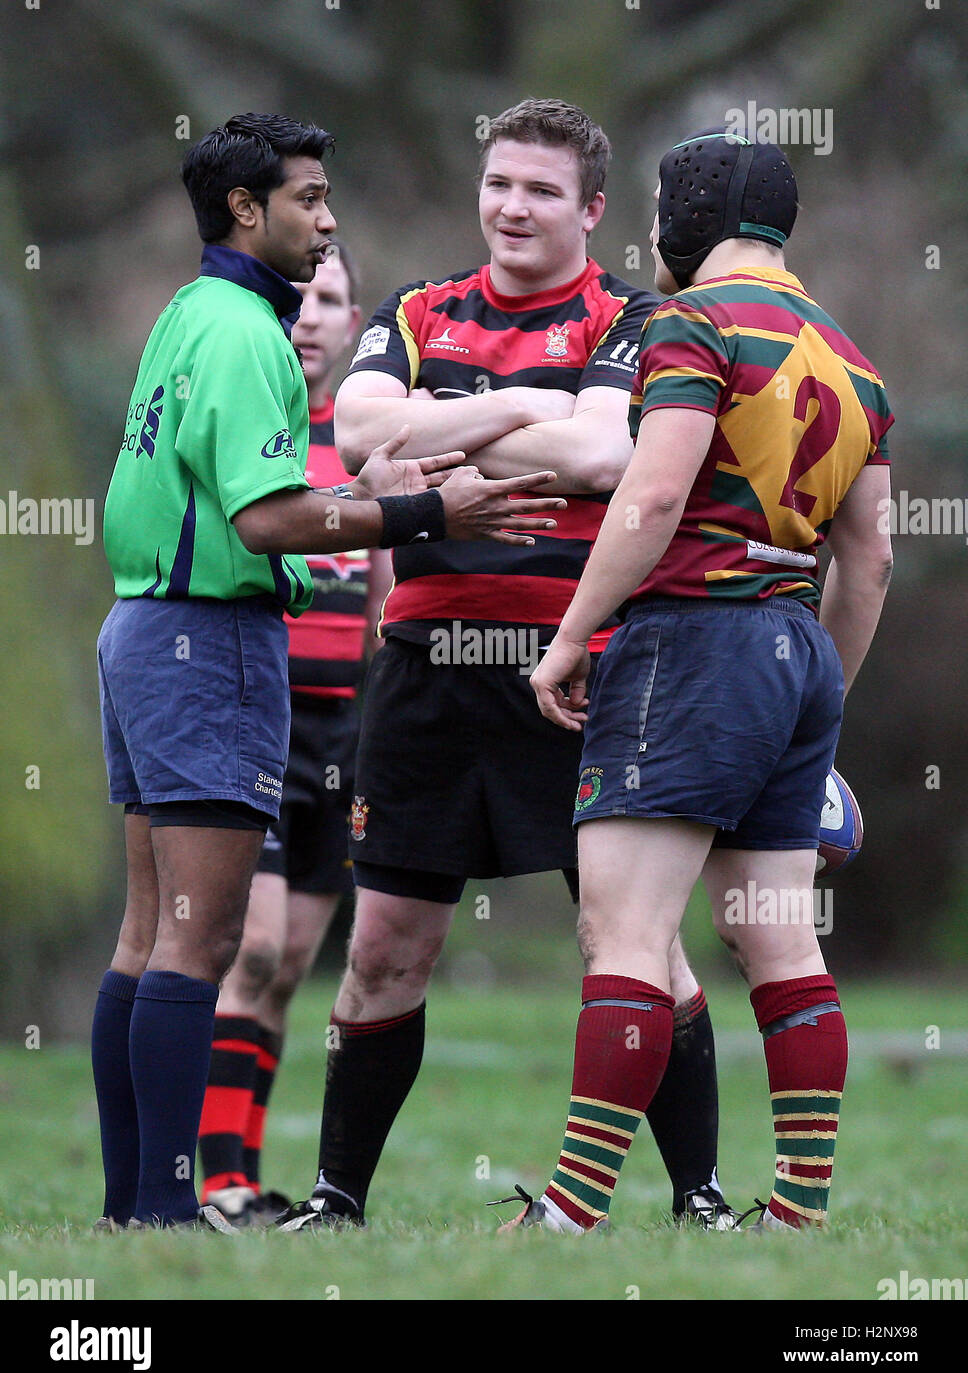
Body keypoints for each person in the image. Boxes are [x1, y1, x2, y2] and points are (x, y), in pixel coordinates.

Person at [92, 111, 563, 1230]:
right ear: (247, 210)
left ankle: (129, 1208)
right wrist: (425, 506)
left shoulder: (189, 311)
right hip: (209, 642)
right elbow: (265, 522)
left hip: (146, 627)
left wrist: (386, 482)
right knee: (203, 939)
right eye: (309, 198)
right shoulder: (251, 334)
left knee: (148, 932)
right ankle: (162, 1212)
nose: (328, 219)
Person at [279, 99, 732, 1234]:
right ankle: (336, 1199)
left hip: (581, 667)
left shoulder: (633, 316)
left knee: (631, 940)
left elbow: (602, 450)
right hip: (426, 667)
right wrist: (532, 410)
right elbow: (357, 441)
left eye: (538, 190)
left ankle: (699, 1197)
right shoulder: (416, 310)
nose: (510, 207)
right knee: (383, 945)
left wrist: (451, 419)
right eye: (496, 184)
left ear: (589, 210)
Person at [509, 128, 894, 1233]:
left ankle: (570, 1217)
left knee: (623, 934)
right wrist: (816, 696)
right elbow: (866, 559)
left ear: (688, 219)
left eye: (656, 210)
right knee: (779, 936)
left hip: (685, 640)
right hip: (792, 648)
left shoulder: (693, 320)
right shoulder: (848, 352)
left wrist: (572, 632)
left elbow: (652, 493)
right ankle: (798, 1215)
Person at [197, 241, 394, 1226]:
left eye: (332, 301)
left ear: (355, 322)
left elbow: (382, 608)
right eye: (300, 299)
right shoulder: (250, 432)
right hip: (252, 717)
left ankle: (239, 1171)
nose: (311, 317)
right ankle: (212, 1175)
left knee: (291, 968)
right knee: (255, 945)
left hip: (338, 733)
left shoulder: (366, 447)